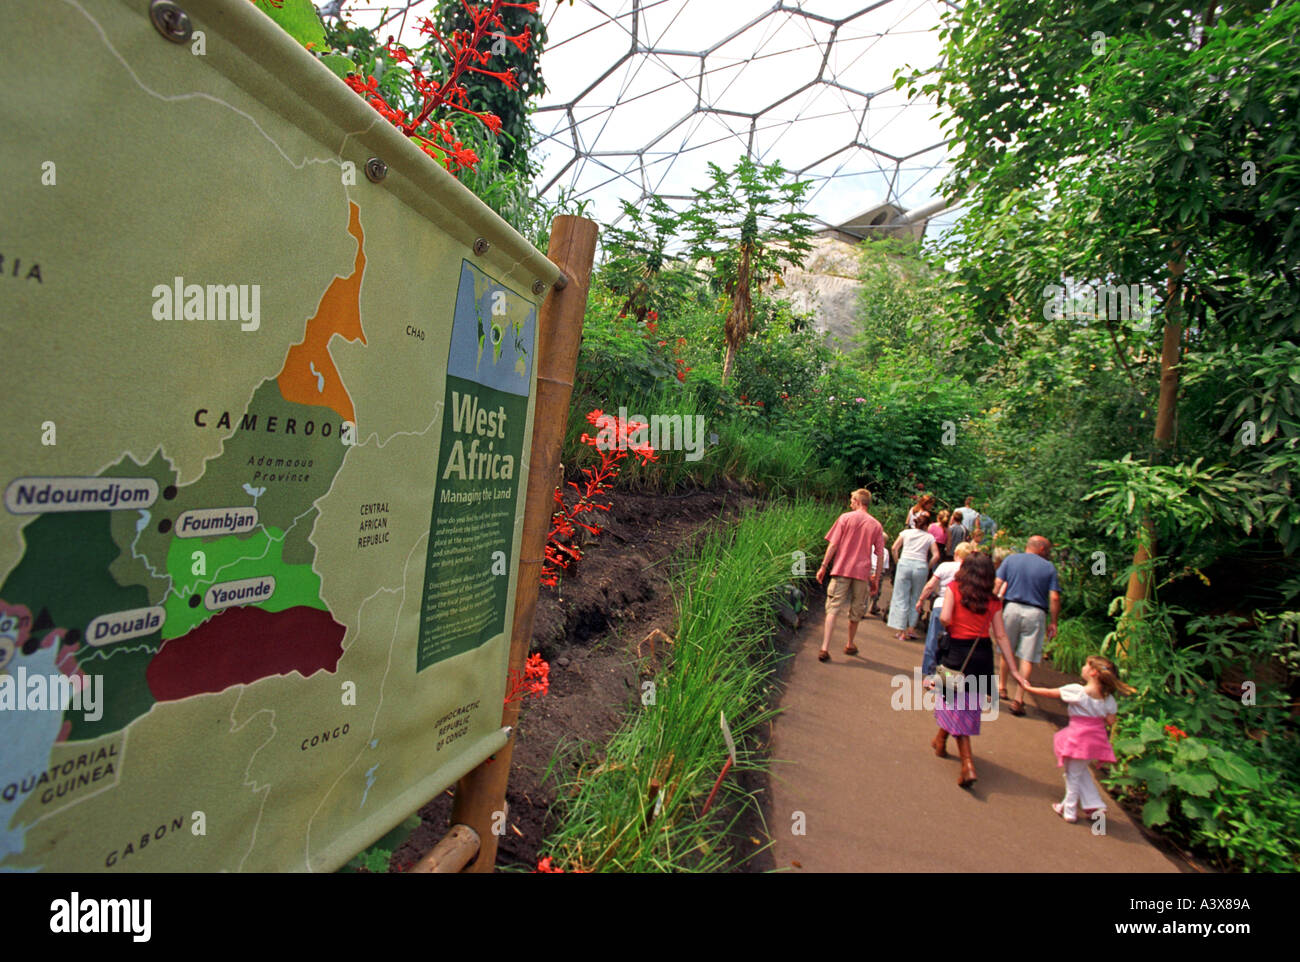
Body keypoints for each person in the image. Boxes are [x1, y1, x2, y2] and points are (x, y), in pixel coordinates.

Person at [929, 552, 1028, 787]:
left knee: (950, 701)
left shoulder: (954, 587)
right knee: (964, 707)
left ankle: (968, 765)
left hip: (955, 653)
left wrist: (954, 622)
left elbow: (944, 618)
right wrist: (1014, 670)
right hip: (981, 656)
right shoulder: (992, 601)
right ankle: (940, 740)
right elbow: (1001, 636)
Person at [1022, 655, 1136, 822]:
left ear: (1093, 672)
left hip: (1076, 737)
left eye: (1085, 665)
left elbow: (1051, 693)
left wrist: (1029, 689)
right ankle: (1093, 804)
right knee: (1078, 771)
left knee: (1072, 775)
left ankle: (1069, 810)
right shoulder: (1109, 699)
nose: (1082, 668)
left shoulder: (1078, 691)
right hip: (1094, 740)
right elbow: (1111, 721)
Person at [815, 488, 886, 663]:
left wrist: (823, 566)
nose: (850, 502)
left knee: (833, 607)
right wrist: (875, 579)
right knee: (856, 610)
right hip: (861, 573)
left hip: (842, 569)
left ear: (858, 500)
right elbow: (880, 554)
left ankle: (825, 647)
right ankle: (849, 643)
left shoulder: (845, 518)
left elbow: (833, 545)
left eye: (852, 499)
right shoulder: (875, 525)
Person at [995, 536, 1061, 716]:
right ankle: (1019, 698)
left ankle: (1002, 687)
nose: (1048, 553)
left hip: (1012, 608)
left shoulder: (1011, 560)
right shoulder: (1049, 568)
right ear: (1041, 549)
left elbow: (998, 584)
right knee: (1027, 657)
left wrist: (990, 606)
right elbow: (1054, 597)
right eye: (1047, 550)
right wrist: (1054, 622)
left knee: (1006, 649)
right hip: (1036, 613)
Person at [916, 541, 974, 676]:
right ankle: (946, 675)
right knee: (954, 644)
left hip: (941, 605)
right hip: (961, 610)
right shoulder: (971, 572)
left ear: (957, 553)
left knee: (933, 641)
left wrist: (921, 600)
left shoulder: (945, 566)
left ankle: (929, 673)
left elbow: (931, 585)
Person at [888, 512, 939, 641]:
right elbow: (936, 555)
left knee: (901, 596)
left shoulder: (905, 533)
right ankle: (911, 628)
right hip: (920, 566)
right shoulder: (929, 537)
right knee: (916, 598)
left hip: (905, 563)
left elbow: (894, 548)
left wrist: (897, 561)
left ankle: (901, 630)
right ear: (927, 525)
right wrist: (928, 566)